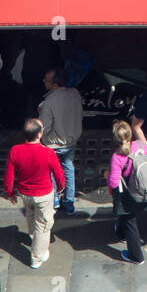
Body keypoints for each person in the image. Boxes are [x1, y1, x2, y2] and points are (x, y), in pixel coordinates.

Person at [5, 118, 65, 268]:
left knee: (31, 214)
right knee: (43, 226)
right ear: (39, 134)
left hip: (25, 193)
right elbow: (59, 175)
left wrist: (10, 192)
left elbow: (9, 176)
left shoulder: (15, 150)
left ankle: (33, 237)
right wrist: (61, 188)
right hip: (44, 194)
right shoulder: (48, 153)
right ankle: (37, 257)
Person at [109, 119, 147, 264]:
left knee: (130, 222)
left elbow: (113, 182)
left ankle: (136, 256)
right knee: (126, 218)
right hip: (143, 189)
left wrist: (107, 176)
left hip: (129, 194)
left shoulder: (117, 157)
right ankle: (120, 232)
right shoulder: (140, 145)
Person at [39, 67, 83, 216]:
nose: (44, 81)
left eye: (47, 79)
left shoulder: (49, 101)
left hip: (53, 143)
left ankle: (55, 200)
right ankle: (69, 202)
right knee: (68, 167)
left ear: (54, 84)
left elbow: (44, 127)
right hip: (71, 140)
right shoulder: (75, 93)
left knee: (51, 170)